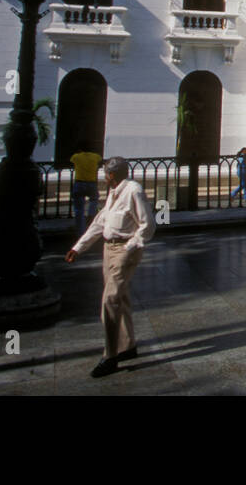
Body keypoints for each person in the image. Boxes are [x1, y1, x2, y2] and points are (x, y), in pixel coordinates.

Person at [65, 156, 156, 378]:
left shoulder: (133, 190)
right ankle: (127, 345)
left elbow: (148, 224)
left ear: (112, 175)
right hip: (109, 250)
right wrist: (79, 247)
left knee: (110, 300)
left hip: (125, 250)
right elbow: (100, 222)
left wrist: (130, 247)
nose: (104, 177)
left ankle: (110, 356)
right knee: (120, 297)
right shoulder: (114, 193)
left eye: (105, 173)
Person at [69, 140, 102, 238]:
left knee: (79, 210)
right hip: (91, 183)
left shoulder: (76, 157)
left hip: (79, 183)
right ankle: (91, 214)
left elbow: (71, 161)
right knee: (94, 199)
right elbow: (100, 161)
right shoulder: (96, 157)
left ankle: (81, 232)